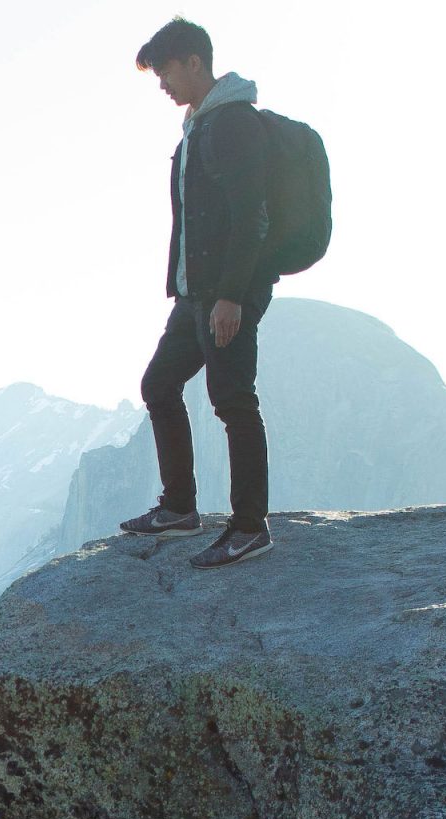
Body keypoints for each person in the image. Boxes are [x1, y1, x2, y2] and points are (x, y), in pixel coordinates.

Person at [120, 17, 275, 569]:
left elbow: (251, 217)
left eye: (165, 71)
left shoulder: (233, 123)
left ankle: (249, 528)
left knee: (233, 401)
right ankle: (180, 508)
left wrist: (231, 295)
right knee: (159, 385)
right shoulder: (198, 127)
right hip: (195, 295)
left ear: (194, 62)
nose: (162, 83)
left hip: (226, 293)